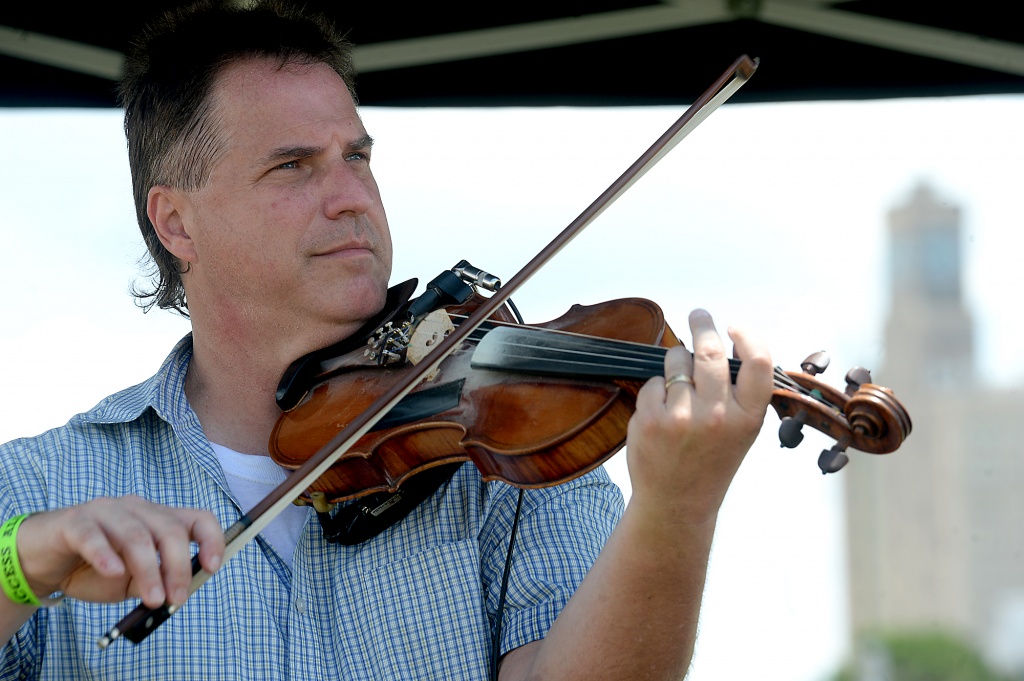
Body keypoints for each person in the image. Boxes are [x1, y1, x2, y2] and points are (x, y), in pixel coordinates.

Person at [0, 1, 773, 679]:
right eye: (293, 166)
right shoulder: (46, 485)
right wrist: (24, 566)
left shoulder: (508, 443)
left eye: (357, 157)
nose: (351, 198)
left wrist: (677, 509)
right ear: (176, 222)